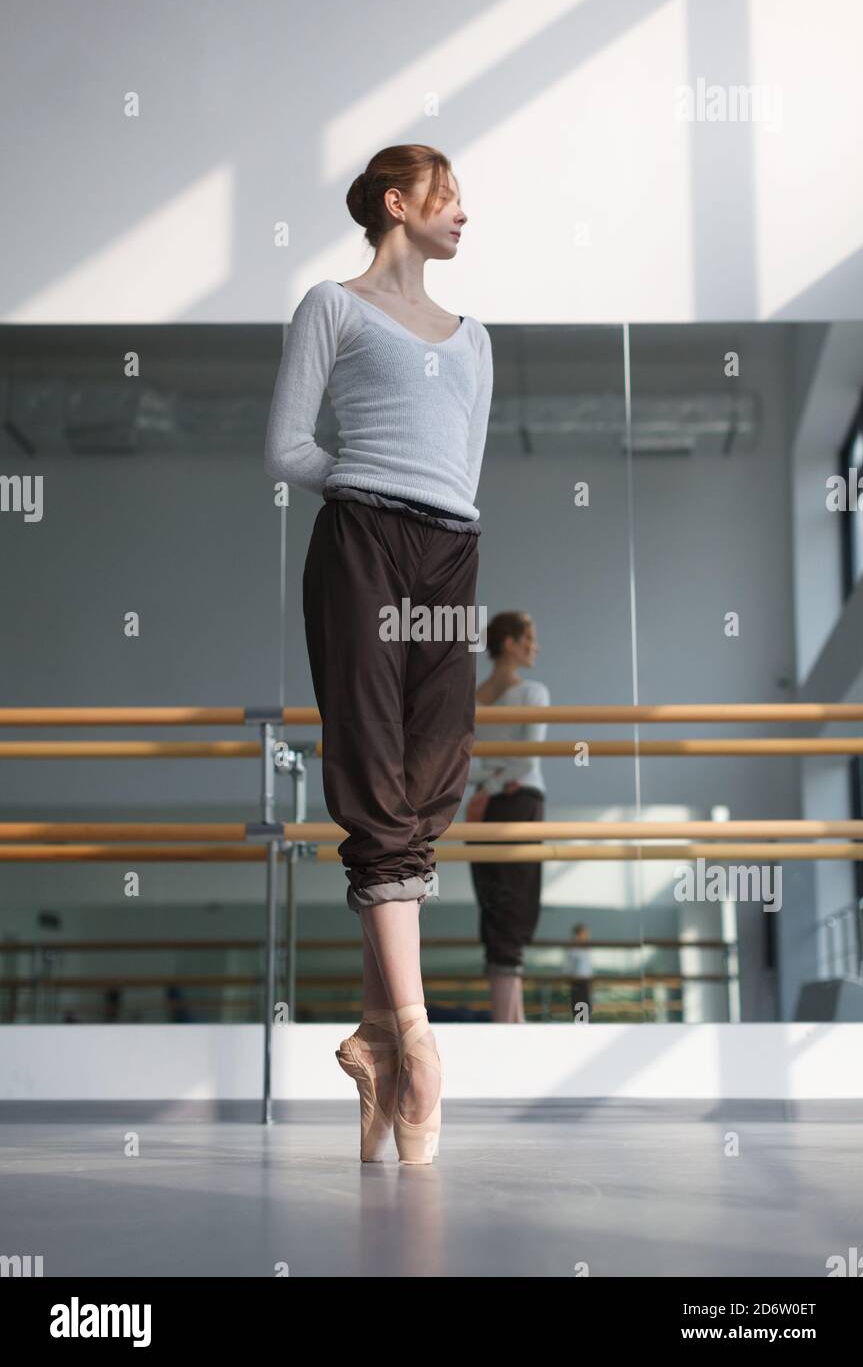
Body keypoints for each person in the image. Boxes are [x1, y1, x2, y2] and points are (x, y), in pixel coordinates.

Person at [263, 144, 493, 1164]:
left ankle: (369, 1037)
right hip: (360, 540)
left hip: (450, 549)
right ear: (396, 205)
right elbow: (284, 449)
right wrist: (360, 487)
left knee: (432, 775)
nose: (463, 215)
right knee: (374, 776)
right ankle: (414, 1037)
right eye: (447, 198)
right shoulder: (333, 306)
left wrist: (419, 510)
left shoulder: (474, 338)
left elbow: (461, 463)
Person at [466, 613, 550, 1022]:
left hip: (497, 803)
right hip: (504, 803)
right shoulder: (531, 693)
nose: (536, 647)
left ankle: (510, 1022)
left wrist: (486, 789)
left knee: (507, 907)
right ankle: (509, 1024)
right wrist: (490, 789)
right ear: (511, 644)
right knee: (502, 907)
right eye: (530, 639)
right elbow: (521, 760)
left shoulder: (485, 698)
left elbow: (518, 761)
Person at [564, 922, 593, 1021]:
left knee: (586, 1010)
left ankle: (583, 1029)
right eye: (584, 934)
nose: (587, 936)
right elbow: (568, 968)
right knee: (580, 1010)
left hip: (585, 983)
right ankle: (581, 1030)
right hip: (577, 983)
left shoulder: (586, 948)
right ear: (578, 935)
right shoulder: (573, 949)